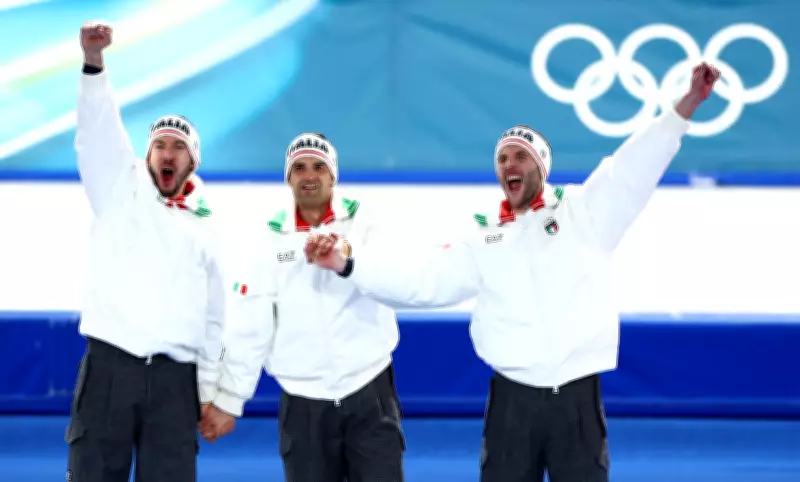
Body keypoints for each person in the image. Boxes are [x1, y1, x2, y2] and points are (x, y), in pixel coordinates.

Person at [305, 62, 721, 482]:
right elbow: (422, 281)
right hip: (511, 402)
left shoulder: (586, 211)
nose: (509, 164)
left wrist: (685, 106)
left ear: (542, 166)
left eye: (520, 156)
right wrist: (347, 262)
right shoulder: (484, 236)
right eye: (502, 158)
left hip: (576, 400)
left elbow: (633, 168)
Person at [65, 21, 225, 482]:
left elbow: (216, 315)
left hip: (176, 382)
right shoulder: (119, 187)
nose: (167, 154)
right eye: (159, 146)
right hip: (110, 369)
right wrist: (94, 64)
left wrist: (211, 391)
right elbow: (97, 135)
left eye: (177, 147)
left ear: (191, 161)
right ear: (147, 154)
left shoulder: (208, 223)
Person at [199, 132, 405, 482]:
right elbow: (252, 326)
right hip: (303, 403)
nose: (309, 175)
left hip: (368, 392)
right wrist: (229, 400)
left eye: (319, 167)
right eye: (299, 167)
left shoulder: (365, 219)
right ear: (288, 177)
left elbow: (392, 274)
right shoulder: (267, 238)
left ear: (333, 175)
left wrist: (345, 251)